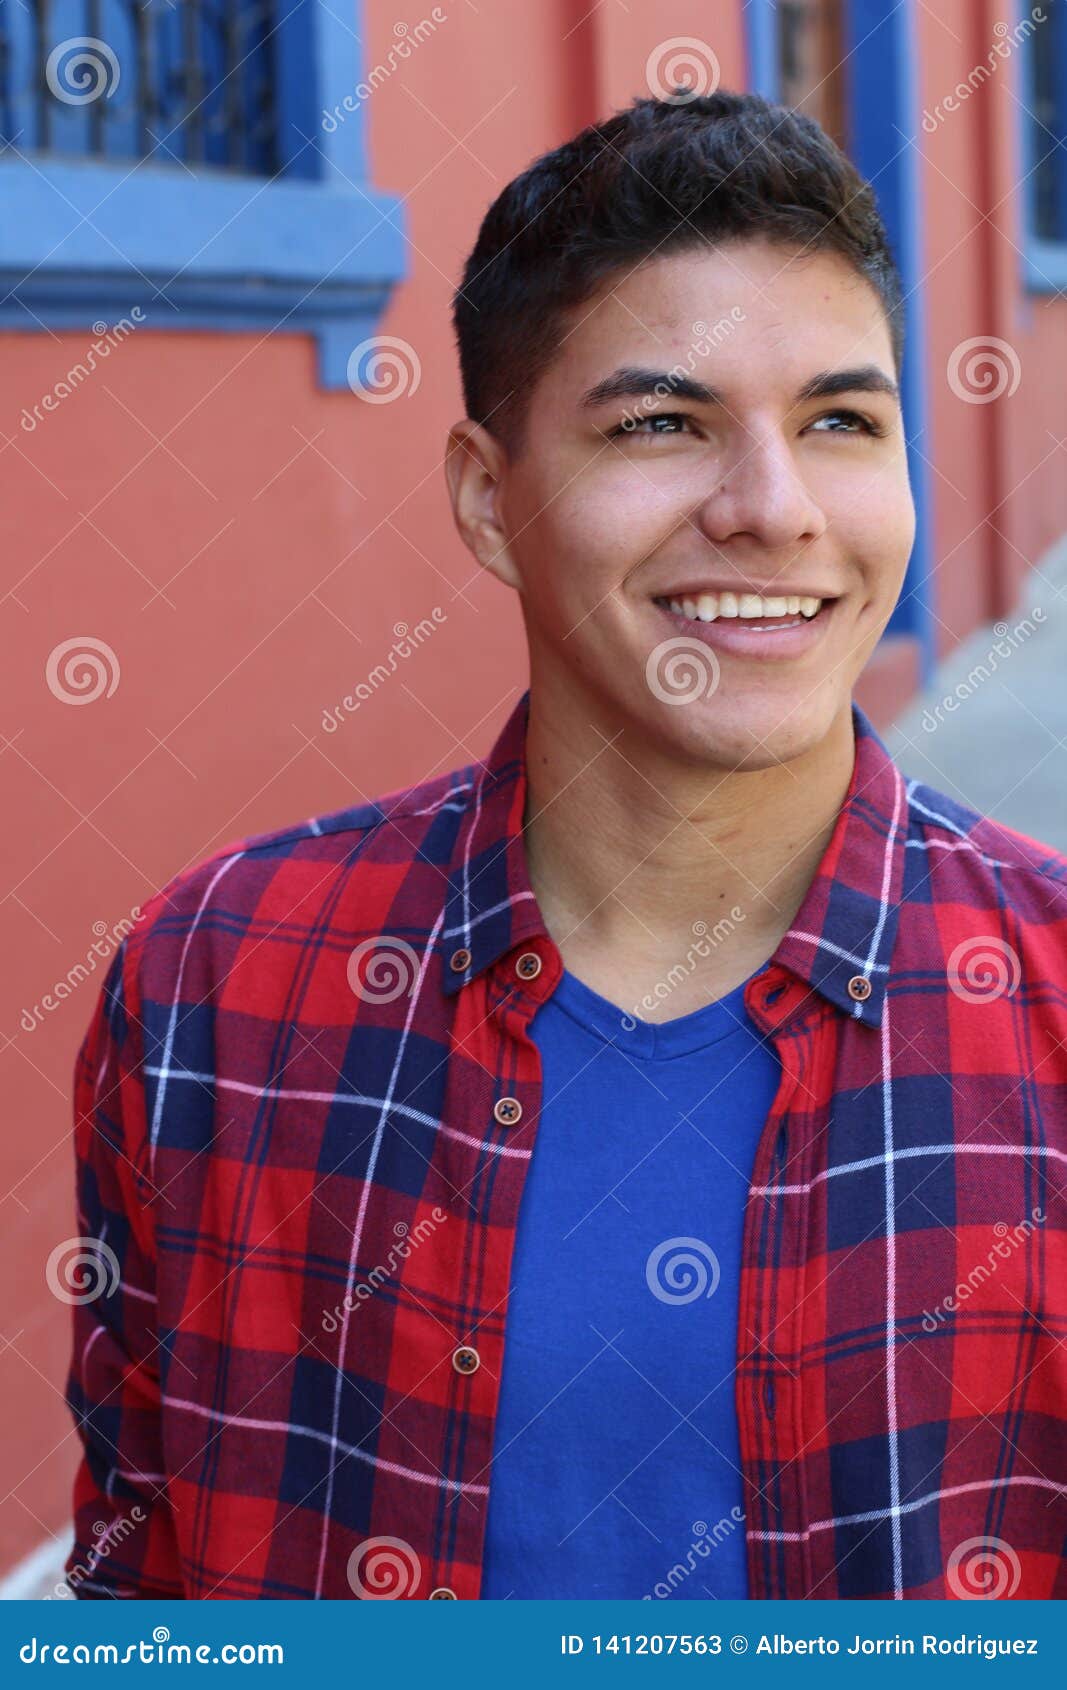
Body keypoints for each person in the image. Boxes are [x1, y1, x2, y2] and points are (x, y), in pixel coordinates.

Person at [65, 89, 1066, 1601]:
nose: (774, 510)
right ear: (487, 497)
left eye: (841, 423)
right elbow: (140, 1580)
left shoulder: (1046, 1002)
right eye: (662, 424)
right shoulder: (218, 984)